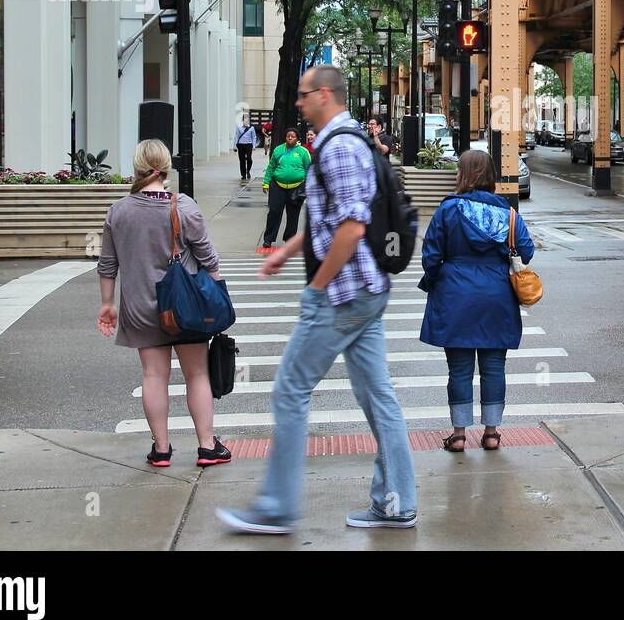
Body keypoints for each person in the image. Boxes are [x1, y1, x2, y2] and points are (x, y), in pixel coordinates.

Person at [216, 64, 416, 534]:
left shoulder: (340, 147)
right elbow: (329, 220)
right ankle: (396, 503)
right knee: (378, 397)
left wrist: (316, 288)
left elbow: (350, 228)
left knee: (290, 389)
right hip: (365, 292)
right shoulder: (339, 143)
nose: (299, 104)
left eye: (305, 96)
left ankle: (276, 507)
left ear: (325, 95)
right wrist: (288, 249)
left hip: (344, 294)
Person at [96, 139, 231, 469]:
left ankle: (161, 449)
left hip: (141, 308)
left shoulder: (119, 211)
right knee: (197, 374)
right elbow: (208, 259)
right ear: (166, 166)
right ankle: (206, 446)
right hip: (186, 308)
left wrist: (107, 304)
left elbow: (107, 264)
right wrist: (217, 294)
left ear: (137, 166)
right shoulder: (183, 206)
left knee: (153, 376)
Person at [419, 149, 535, 452]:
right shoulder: (509, 214)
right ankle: (492, 433)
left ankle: (458, 434)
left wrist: (436, 278)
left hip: (455, 295)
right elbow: (527, 251)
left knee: (458, 369)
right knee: (494, 367)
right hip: (497, 297)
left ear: (462, 174)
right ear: (491, 176)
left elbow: (431, 256)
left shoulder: (448, 210)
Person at [258, 129, 312, 254]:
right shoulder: (278, 150)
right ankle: (268, 239)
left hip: (297, 187)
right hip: (277, 186)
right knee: (274, 211)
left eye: (293, 136)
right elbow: (271, 167)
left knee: (293, 213)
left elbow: (309, 169)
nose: (290, 138)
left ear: (297, 138)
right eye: (288, 136)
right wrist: (266, 182)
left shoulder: (303, 152)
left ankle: (289, 239)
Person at [234, 115, 257, 181]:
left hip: (249, 145)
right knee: (242, 160)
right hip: (240, 145)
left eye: (247, 120)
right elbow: (236, 136)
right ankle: (243, 174)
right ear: (242, 121)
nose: (246, 122)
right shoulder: (239, 127)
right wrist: (235, 146)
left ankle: (248, 171)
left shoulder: (251, 128)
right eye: (245, 120)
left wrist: (254, 146)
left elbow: (254, 137)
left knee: (249, 159)